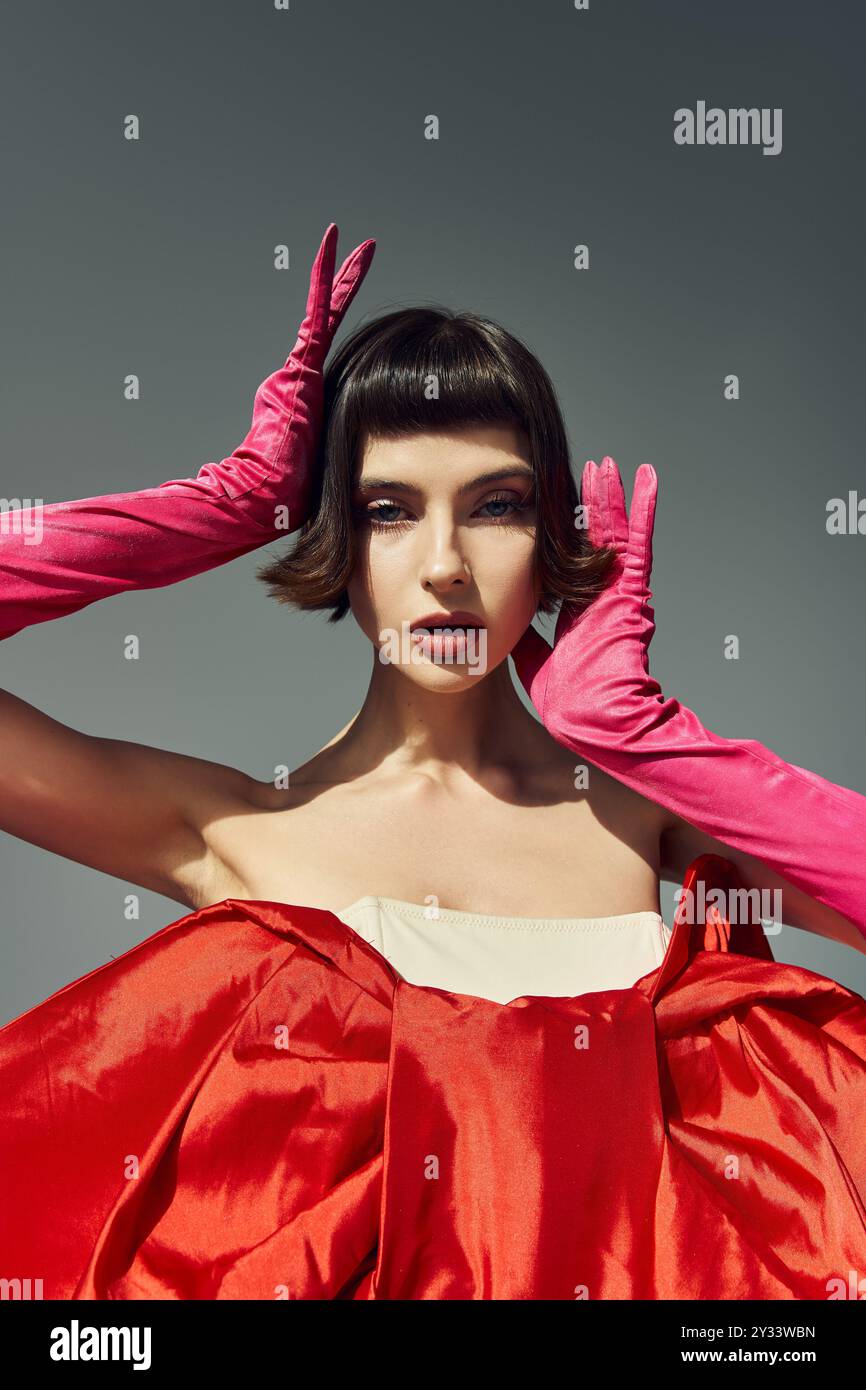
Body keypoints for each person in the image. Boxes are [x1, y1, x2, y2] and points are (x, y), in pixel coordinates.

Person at [1, 225, 865, 1301]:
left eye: (496, 506)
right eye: (388, 511)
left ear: (550, 532)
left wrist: (637, 734)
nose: (446, 565)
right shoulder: (228, 829)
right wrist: (222, 504)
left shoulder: (641, 817)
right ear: (335, 534)